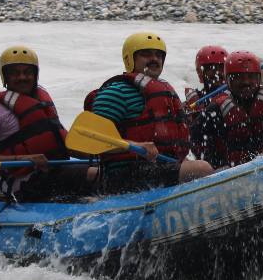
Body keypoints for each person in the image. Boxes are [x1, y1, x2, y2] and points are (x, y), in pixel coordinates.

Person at [84, 31, 212, 194]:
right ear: (130, 59)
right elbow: (92, 140)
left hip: (157, 168)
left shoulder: (164, 90)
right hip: (125, 174)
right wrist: (136, 145)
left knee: (205, 166)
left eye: (159, 55)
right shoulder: (116, 92)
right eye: (146, 54)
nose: (154, 59)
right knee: (201, 169)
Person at [0, 45, 91, 201]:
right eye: (15, 73)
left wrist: (97, 155)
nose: (22, 77)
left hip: (52, 170)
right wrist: (24, 159)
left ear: (36, 75)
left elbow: (61, 141)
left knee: (103, 169)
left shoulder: (42, 101)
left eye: (28, 72)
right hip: (22, 182)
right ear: (5, 77)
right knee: (95, 175)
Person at [199, 51, 263, 169]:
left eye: (251, 77)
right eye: (238, 77)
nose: (246, 82)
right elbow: (201, 145)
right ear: (227, 80)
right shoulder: (215, 110)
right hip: (235, 171)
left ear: (259, 78)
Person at [184, 45, 228, 165]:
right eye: (211, 68)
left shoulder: (239, 94)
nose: (218, 73)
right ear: (200, 73)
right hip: (207, 161)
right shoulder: (192, 103)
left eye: (221, 67)